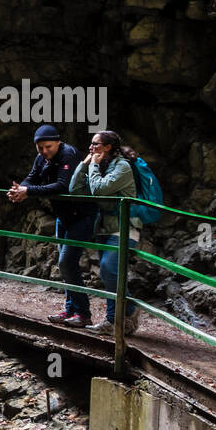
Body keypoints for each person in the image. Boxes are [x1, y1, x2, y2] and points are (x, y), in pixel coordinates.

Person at [8, 124, 98, 328]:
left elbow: (62, 186)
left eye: (48, 147)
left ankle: (83, 313)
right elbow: (32, 177)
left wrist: (28, 191)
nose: (44, 151)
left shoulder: (69, 155)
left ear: (58, 142)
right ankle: (70, 309)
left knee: (67, 263)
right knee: (65, 265)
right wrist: (18, 188)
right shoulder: (42, 158)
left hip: (82, 216)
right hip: (63, 216)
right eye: (40, 148)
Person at [69, 130, 140, 335]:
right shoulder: (99, 165)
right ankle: (113, 320)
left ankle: (128, 312)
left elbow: (99, 189)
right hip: (104, 227)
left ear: (108, 147)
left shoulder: (123, 167)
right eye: (91, 144)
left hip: (125, 226)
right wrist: (84, 164)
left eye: (96, 144)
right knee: (109, 275)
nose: (91, 148)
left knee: (109, 269)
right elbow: (74, 189)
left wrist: (92, 166)